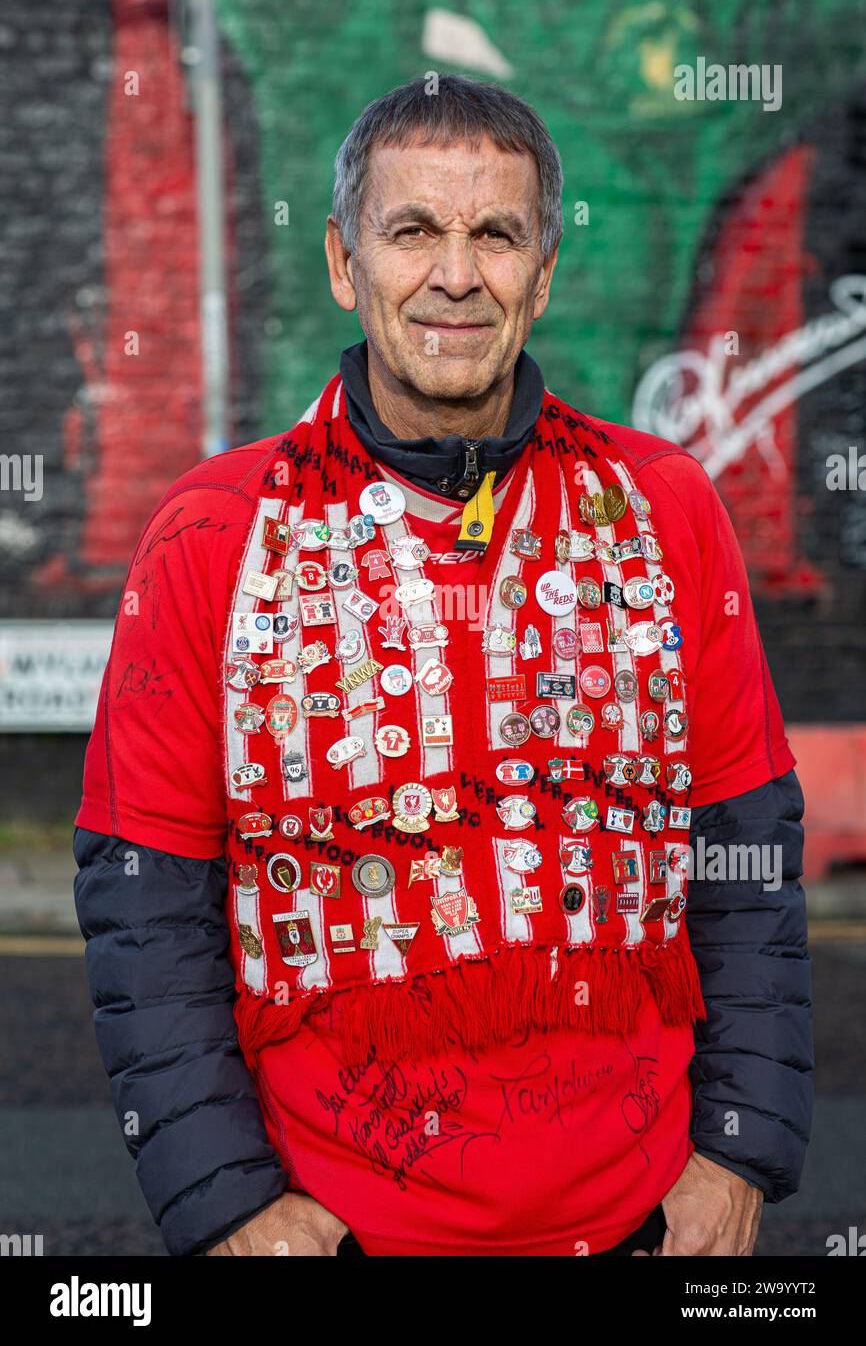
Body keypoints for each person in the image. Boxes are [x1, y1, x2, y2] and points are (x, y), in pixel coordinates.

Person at [74, 74, 811, 1258]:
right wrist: (224, 1205)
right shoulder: (211, 531)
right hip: (334, 1233)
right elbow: (142, 903)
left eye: (496, 235)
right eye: (412, 230)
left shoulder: (664, 508)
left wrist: (738, 1148)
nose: (456, 275)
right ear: (341, 261)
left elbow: (745, 857)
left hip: (637, 1229)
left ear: (545, 272)